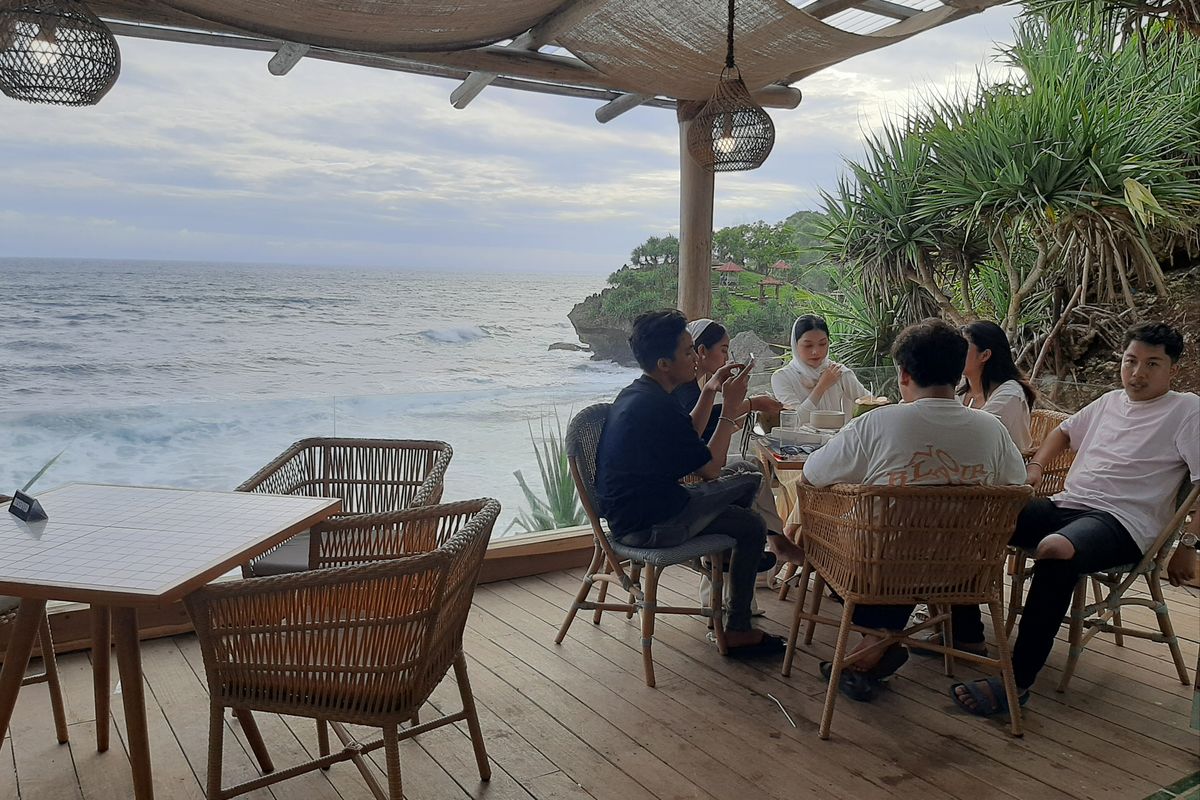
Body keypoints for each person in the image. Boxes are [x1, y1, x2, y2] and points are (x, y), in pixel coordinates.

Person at [951, 322, 1200, 716]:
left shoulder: (1187, 409)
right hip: (1069, 504)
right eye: (1130, 361)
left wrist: (1187, 547)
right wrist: (1035, 469)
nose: (1137, 373)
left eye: (1152, 364)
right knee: (976, 519)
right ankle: (966, 633)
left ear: (1173, 368)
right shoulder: (1110, 401)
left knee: (1055, 549)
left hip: (1124, 522)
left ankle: (1018, 680)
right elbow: (1063, 432)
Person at [799, 318, 1027, 700]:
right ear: (958, 373)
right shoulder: (991, 429)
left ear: (903, 374)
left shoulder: (878, 422)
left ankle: (876, 641)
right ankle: (879, 647)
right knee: (913, 547)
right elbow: (1016, 484)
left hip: (879, 570)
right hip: (964, 571)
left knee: (818, 535)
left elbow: (812, 473)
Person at [594, 310, 789, 656]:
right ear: (664, 363)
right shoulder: (658, 406)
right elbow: (710, 469)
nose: (695, 358)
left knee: (745, 498)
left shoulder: (639, 394)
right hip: (653, 525)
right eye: (688, 352)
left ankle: (736, 560)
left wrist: (712, 389)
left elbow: (690, 437)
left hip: (635, 515)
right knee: (751, 495)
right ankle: (739, 622)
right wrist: (729, 409)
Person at [771, 315, 869, 419]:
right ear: (795, 345)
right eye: (808, 345)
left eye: (822, 344)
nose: (816, 352)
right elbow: (794, 420)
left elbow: (870, 403)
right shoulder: (782, 377)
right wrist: (821, 387)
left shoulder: (838, 372)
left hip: (842, 435)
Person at [958, 320, 1036, 451]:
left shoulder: (1010, 395)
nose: (955, 354)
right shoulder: (960, 387)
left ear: (985, 355)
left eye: (963, 349)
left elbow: (970, 437)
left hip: (1000, 468)